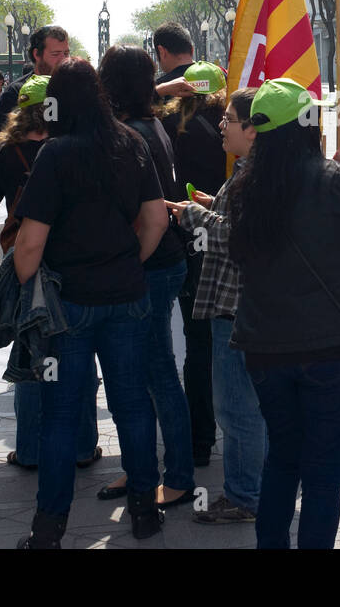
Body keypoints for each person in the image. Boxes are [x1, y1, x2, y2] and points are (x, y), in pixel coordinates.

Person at [228, 78, 340, 549]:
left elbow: (238, 254)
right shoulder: (338, 180)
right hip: (331, 352)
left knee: (282, 460)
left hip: (265, 350)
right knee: (322, 474)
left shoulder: (242, 189)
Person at [12, 59, 170, 548]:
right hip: (127, 295)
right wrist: (128, 261)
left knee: (59, 415)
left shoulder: (55, 155)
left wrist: (26, 286)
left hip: (68, 304)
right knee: (133, 404)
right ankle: (144, 509)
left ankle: (48, 529)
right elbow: (156, 220)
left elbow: (30, 242)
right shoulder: (132, 144)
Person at [0, 74, 102, 473]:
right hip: (76, 259)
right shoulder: (81, 146)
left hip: (29, 260)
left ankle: (30, 450)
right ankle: (81, 445)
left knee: (31, 351)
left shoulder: (8, 151)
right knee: (77, 353)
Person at [96, 46, 194, 508]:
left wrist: (129, 263)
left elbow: (146, 215)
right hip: (164, 260)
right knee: (144, 373)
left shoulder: (130, 132)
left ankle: (176, 475)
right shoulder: (150, 122)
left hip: (151, 263)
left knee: (156, 373)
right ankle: (141, 468)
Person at [172, 85, 266, 525]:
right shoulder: (257, 168)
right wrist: (215, 205)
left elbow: (236, 235)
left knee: (237, 409)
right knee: (254, 405)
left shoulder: (254, 174)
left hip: (235, 306)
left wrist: (194, 215)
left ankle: (245, 496)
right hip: (254, 305)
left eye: (229, 119)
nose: (222, 127)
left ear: (252, 128)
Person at [156, 29, 225, 466]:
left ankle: (199, 438)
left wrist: (160, 89)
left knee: (195, 344)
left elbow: (118, 105)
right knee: (230, 338)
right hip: (228, 235)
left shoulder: (164, 123)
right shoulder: (232, 125)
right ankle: (239, 425)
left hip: (185, 237)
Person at [0, 25, 69, 134]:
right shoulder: (15, 92)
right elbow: (1, 136)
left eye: (66, 53)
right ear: (37, 54)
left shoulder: (72, 88)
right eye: (55, 54)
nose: (63, 59)